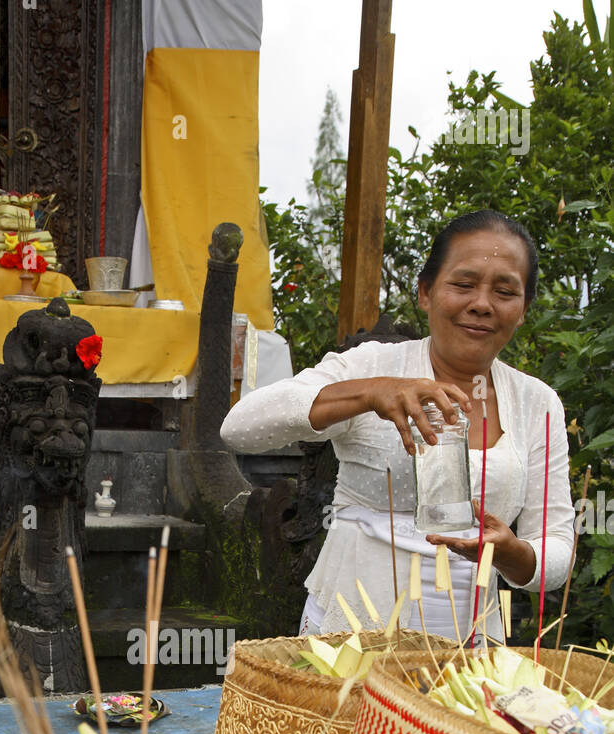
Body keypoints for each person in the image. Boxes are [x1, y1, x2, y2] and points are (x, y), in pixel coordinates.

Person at [220, 210, 575, 642]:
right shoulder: (372, 365)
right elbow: (240, 427)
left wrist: (515, 554)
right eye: (463, 284)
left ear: (522, 311)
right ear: (426, 292)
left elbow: (555, 545)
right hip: (350, 638)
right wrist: (370, 392)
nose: (482, 303)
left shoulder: (537, 403)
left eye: (505, 291)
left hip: (472, 648)